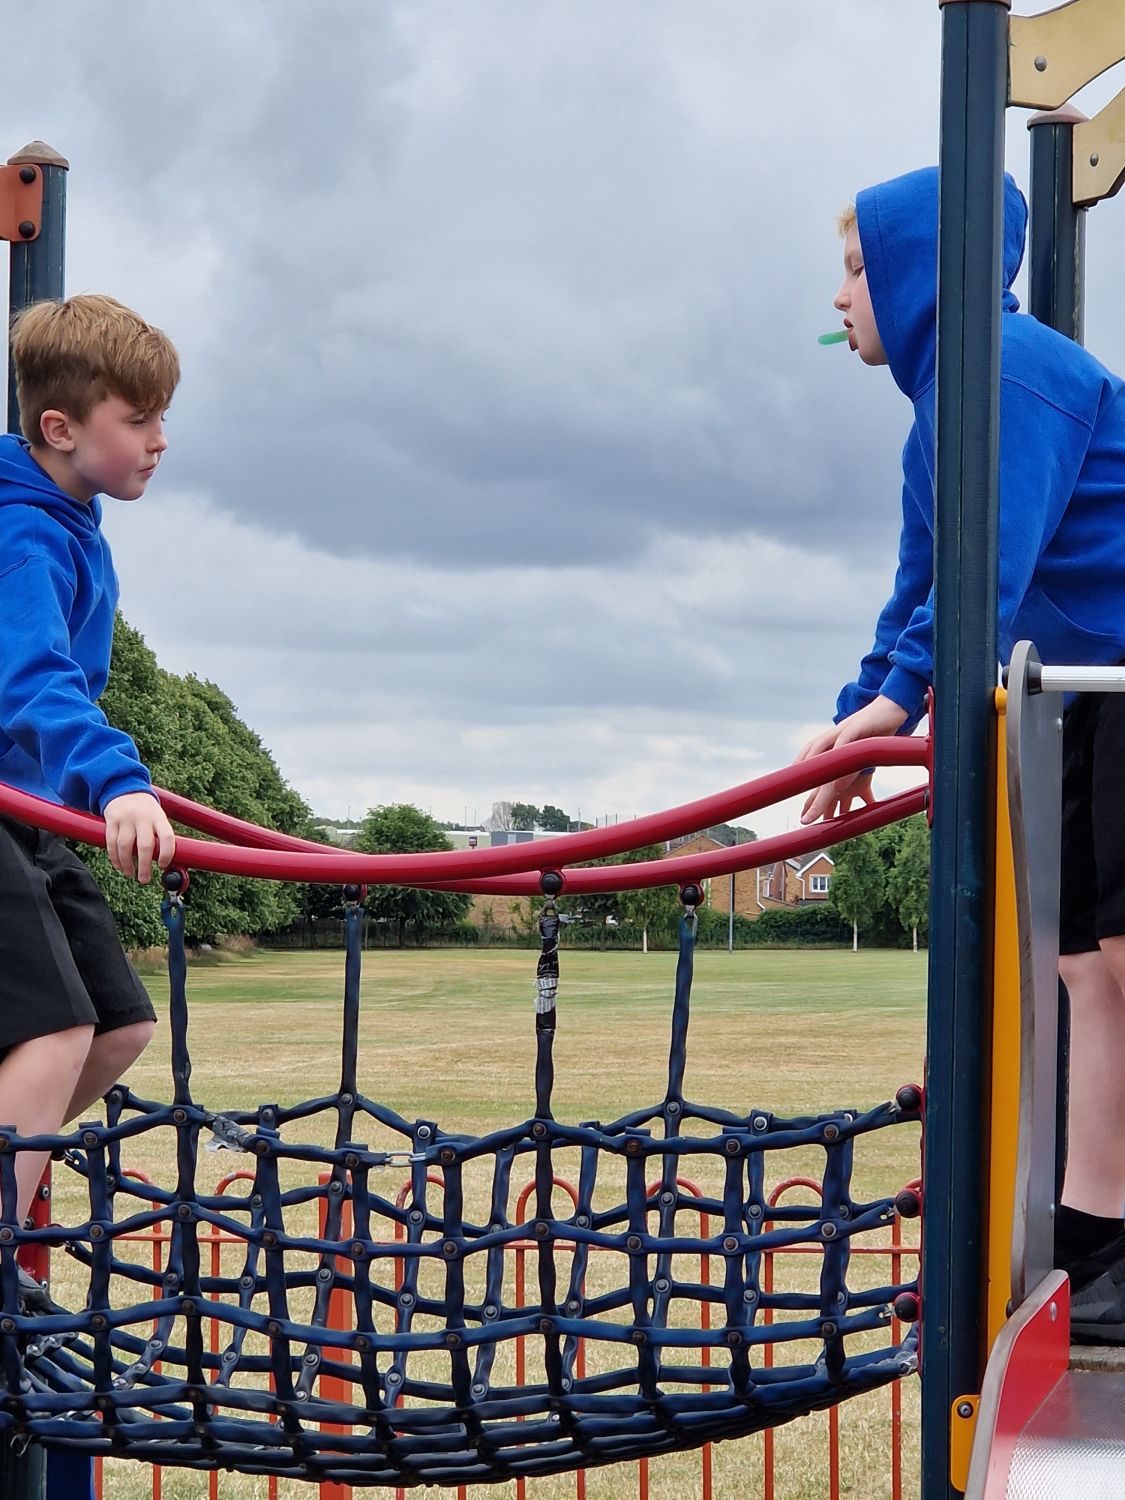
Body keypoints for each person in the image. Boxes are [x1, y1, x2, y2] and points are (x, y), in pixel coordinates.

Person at [796, 166, 1125, 1343]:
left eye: (853, 270)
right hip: (1083, 690)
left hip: (1116, 681)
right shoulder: (943, 413)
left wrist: (902, 699)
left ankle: (1110, 1227)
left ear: (914, 273)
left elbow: (989, 563)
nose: (839, 298)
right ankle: (1091, 1224)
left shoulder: (1011, 375)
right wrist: (864, 710)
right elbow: (920, 595)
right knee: (1081, 968)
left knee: (1116, 968)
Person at [0, 293, 178, 1245]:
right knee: (53, 1030)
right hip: (7, 801)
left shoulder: (69, 520)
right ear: (60, 428)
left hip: (30, 806)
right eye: (138, 418)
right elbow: (33, 681)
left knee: (116, 1028)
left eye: (162, 418)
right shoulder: (21, 536)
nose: (158, 440)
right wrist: (117, 779)